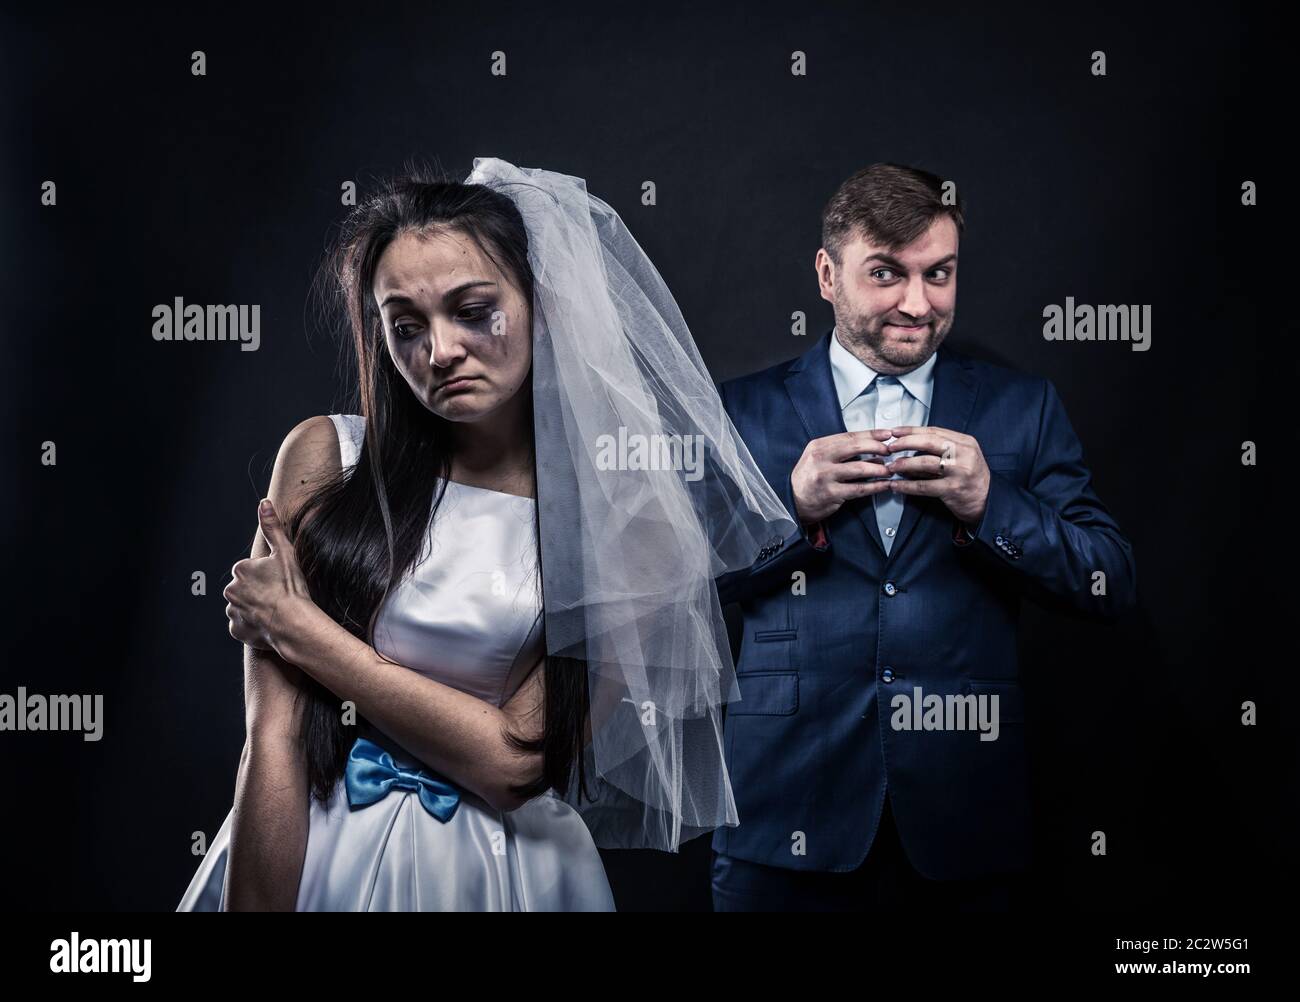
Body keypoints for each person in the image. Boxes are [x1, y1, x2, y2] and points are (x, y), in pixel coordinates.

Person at [177, 158, 794, 911]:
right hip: (317, 852)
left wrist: (305, 633)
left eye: (473, 310)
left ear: (547, 306)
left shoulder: (631, 527)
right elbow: (272, 737)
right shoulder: (323, 458)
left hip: (506, 871)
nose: (438, 352)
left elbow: (514, 762)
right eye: (405, 326)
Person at [710, 163, 1138, 910]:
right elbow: (672, 587)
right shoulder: (738, 412)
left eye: (938, 273)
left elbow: (1110, 580)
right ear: (826, 274)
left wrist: (991, 504)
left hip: (965, 828)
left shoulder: (1024, 408)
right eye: (886, 273)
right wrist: (790, 507)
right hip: (783, 819)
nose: (917, 303)